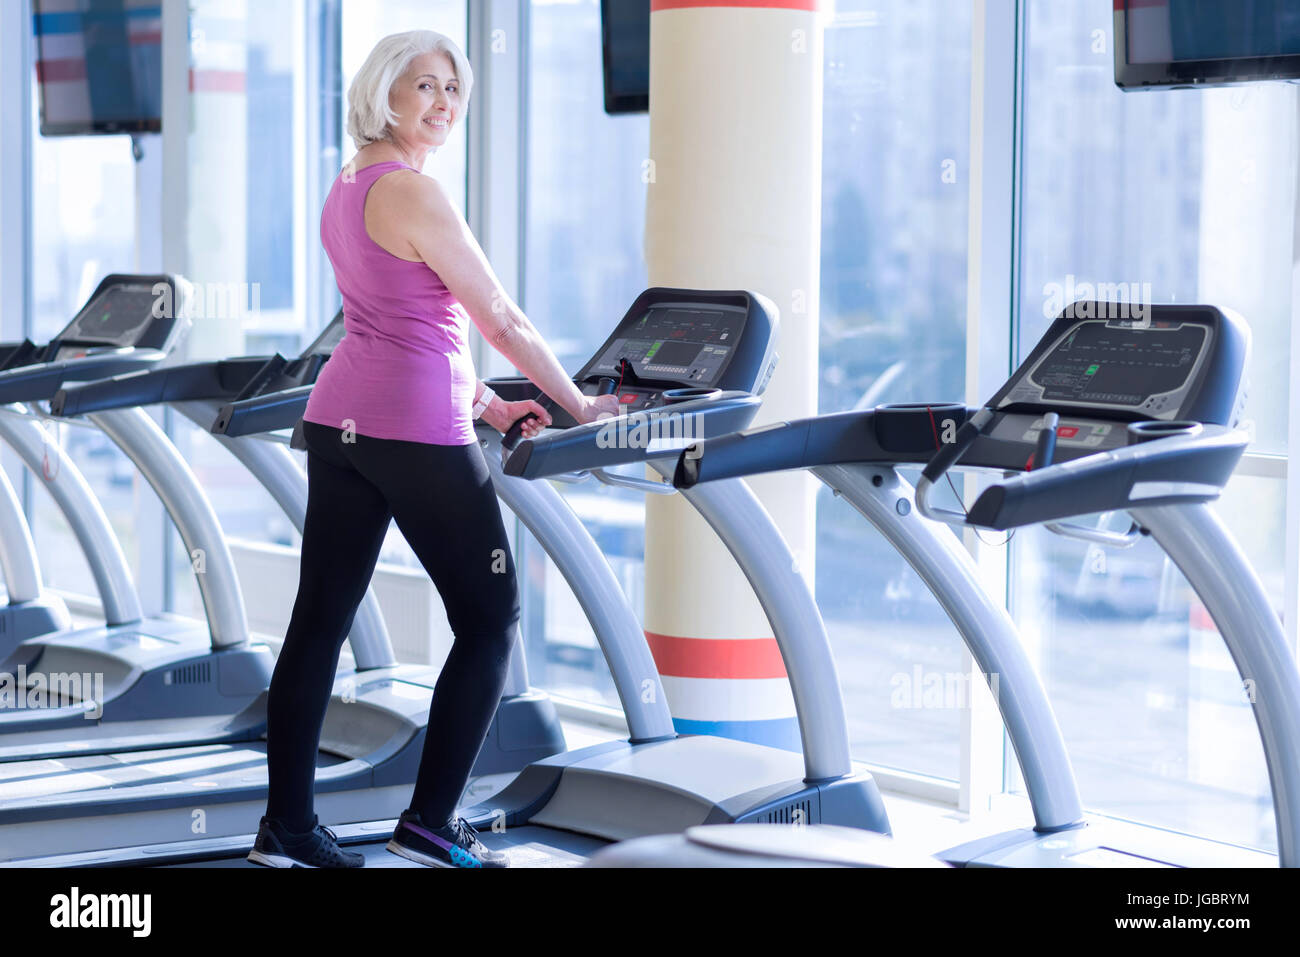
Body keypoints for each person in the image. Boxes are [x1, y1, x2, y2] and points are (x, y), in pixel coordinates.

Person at [246, 29, 620, 869]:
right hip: (412, 431)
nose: (444, 103)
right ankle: (429, 822)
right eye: (426, 86)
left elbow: (395, 319)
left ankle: (287, 830)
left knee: (318, 623)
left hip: (342, 421)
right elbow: (500, 319)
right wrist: (577, 403)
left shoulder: (348, 184)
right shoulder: (414, 191)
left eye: (455, 89)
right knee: (491, 619)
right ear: (386, 91)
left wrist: (489, 401)